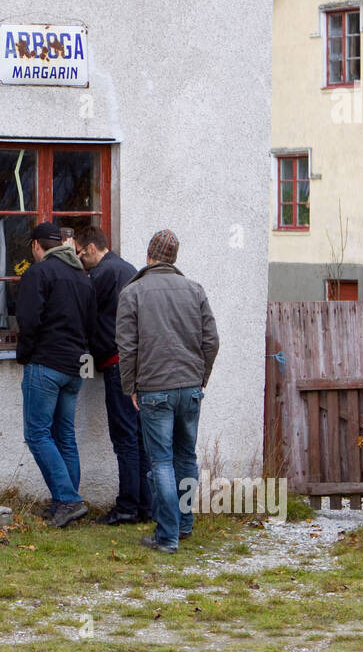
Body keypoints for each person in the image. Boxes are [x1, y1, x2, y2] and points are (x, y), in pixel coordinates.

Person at [116, 230, 219, 553]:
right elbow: (211, 341)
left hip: (154, 389)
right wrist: (201, 377)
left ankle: (167, 535)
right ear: (174, 258)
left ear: (149, 255)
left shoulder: (133, 292)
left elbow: (127, 346)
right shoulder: (195, 290)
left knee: (160, 462)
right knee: (186, 458)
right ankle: (184, 525)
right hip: (189, 387)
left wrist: (129, 385)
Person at [15, 222, 98, 528]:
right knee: (64, 436)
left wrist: (25, 356)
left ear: (37, 246)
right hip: (74, 367)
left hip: (46, 364)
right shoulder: (81, 276)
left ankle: (68, 499)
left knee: (37, 434)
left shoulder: (39, 273)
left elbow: (28, 320)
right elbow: (91, 326)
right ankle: (64, 502)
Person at [75, 226, 147, 525]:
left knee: (125, 438)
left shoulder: (102, 274)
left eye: (80, 254)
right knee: (140, 438)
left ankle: (128, 506)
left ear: (92, 248)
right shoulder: (128, 269)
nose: (79, 260)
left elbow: (87, 316)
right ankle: (146, 504)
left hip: (118, 364)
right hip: (139, 364)